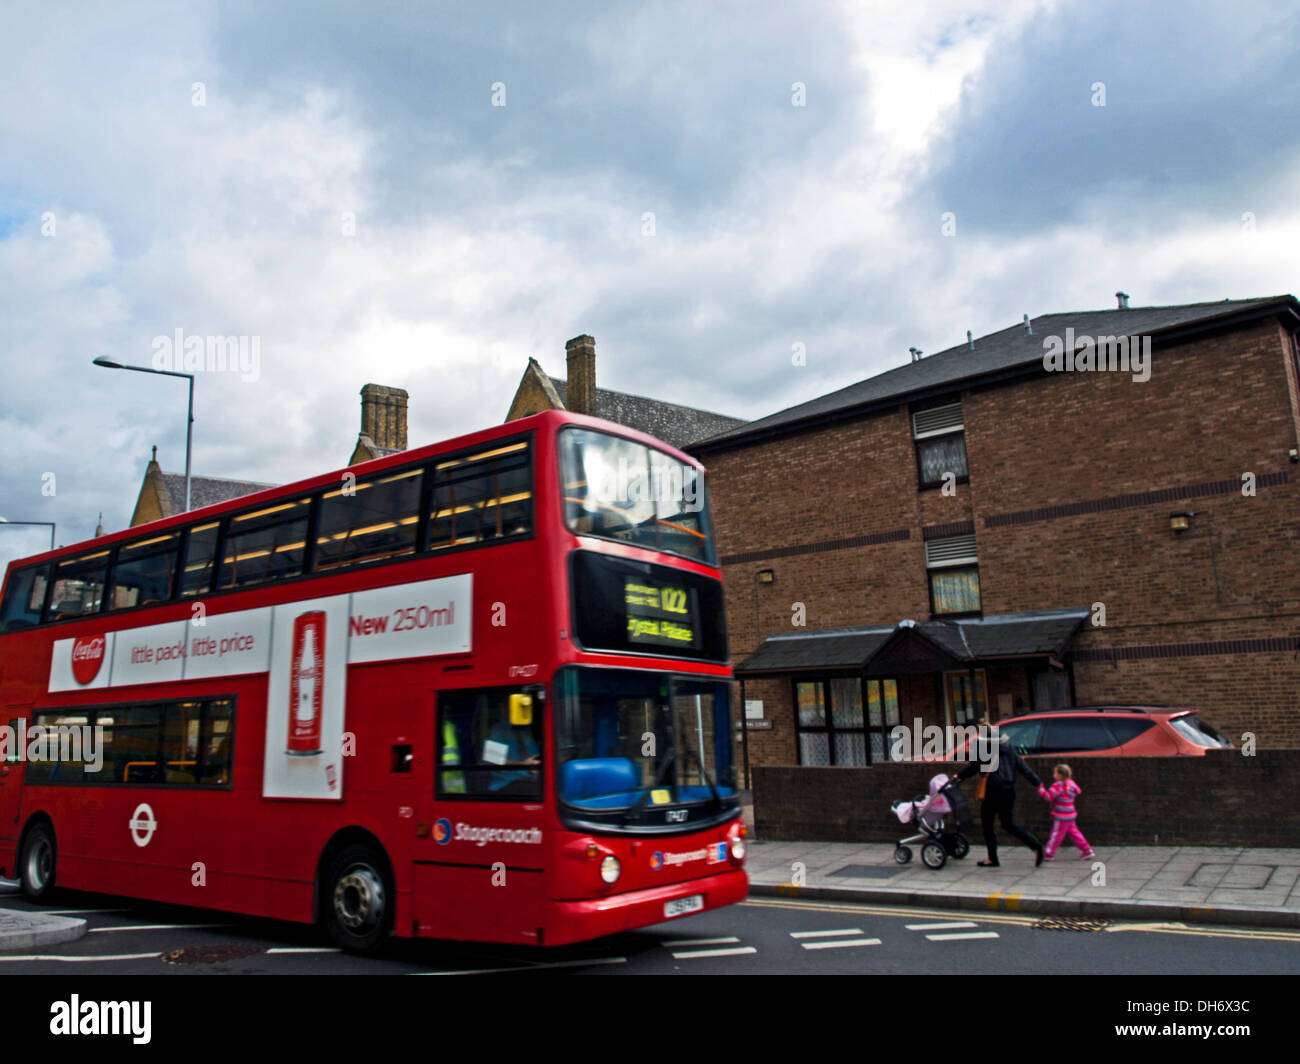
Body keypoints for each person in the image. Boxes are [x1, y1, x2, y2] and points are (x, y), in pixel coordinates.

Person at [955, 730, 1045, 867]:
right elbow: (1023, 768)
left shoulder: (985, 751)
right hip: (1008, 791)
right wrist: (1038, 783)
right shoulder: (1010, 750)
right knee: (1008, 824)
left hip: (991, 792)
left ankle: (992, 858)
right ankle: (1035, 846)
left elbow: (973, 767)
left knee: (988, 826)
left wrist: (958, 777)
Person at [1038, 763, 1095, 860]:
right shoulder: (1072, 784)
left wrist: (1040, 789)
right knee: (1075, 834)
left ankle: (1048, 853)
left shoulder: (1057, 786)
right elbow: (1078, 791)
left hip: (1061, 816)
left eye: (1055, 773)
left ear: (1060, 775)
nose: (1054, 775)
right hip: (1071, 814)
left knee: (1056, 835)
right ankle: (1087, 850)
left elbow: (1048, 797)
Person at [484, 708, 541, 794]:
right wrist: (523, 765)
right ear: (502, 706)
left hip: (532, 780)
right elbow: (494, 759)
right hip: (507, 783)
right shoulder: (497, 729)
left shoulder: (527, 729)